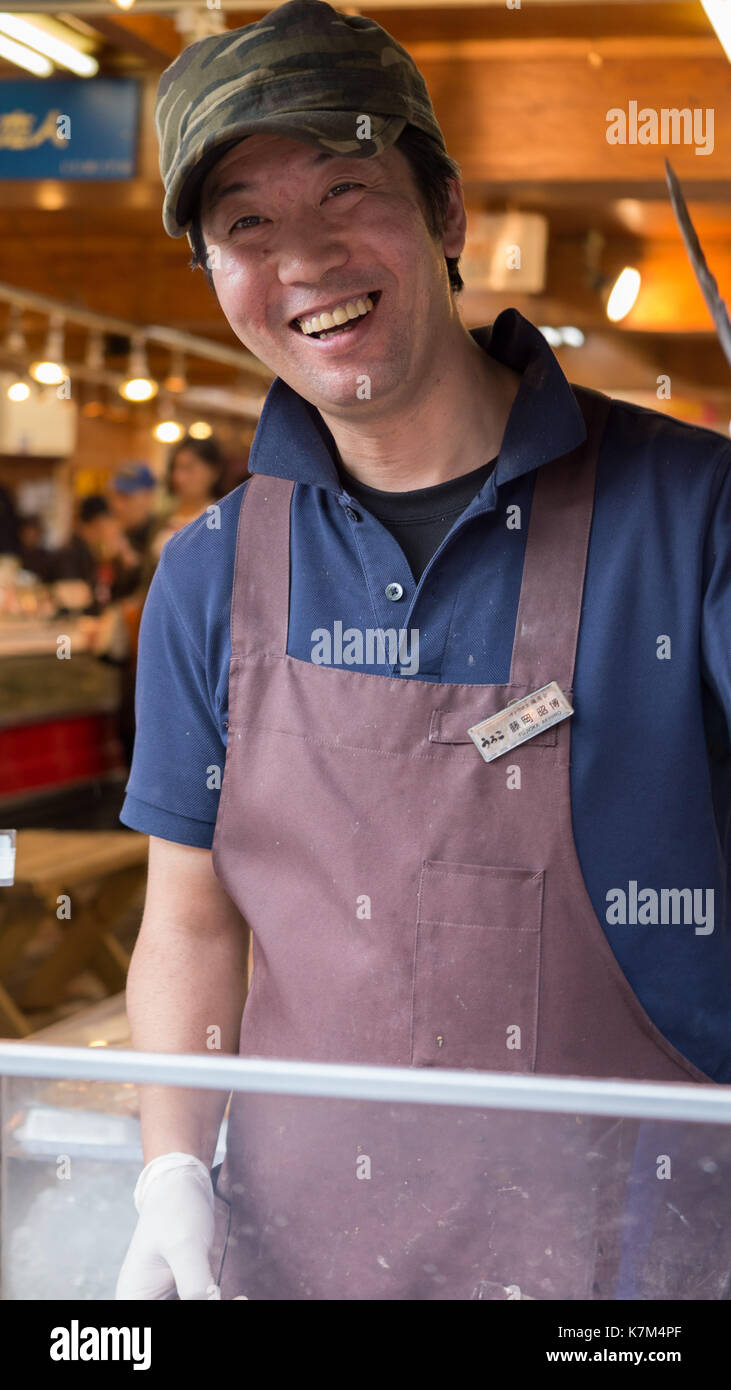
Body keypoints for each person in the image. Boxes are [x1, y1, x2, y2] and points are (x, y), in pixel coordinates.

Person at [116, 0, 731, 1302]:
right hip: (302, 1258)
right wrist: (171, 1173)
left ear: (445, 211)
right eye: (246, 225)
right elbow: (188, 919)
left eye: (347, 188)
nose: (307, 257)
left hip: (634, 1264)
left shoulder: (693, 516)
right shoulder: (208, 571)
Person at [147, 434, 227, 564]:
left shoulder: (221, 520)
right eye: (176, 468)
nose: (179, 477)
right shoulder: (162, 518)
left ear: (214, 472)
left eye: (189, 468)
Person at [108, 462, 159, 558]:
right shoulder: (118, 533)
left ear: (148, 497)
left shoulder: (163, 539)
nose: (117, 505)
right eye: (113, 496)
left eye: (125, 497)